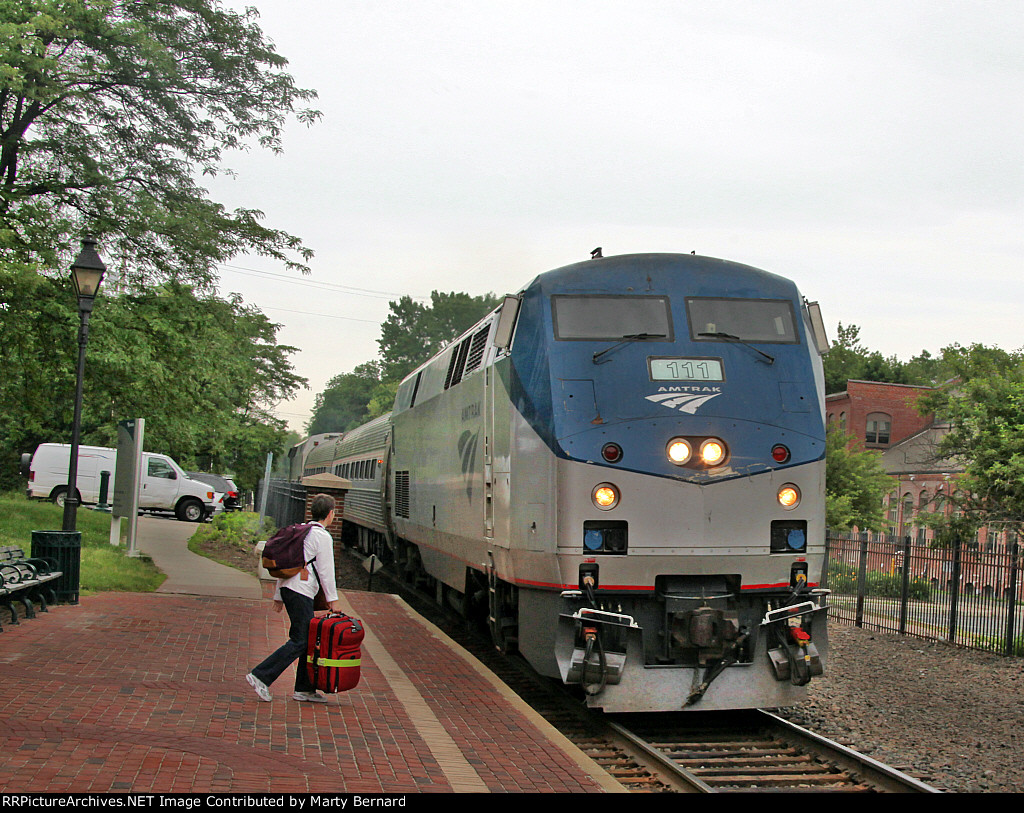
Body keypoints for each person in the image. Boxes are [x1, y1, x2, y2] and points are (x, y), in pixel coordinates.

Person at [246, 493, 340, 703]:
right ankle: (261, 676)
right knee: (302, 639)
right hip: (301, 592)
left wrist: (279, 595)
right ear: (331, 513)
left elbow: (288, 564)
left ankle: (304, 689)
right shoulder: (322, 537)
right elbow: (326, 571)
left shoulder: (302, 532)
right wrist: (333, 601)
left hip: (291, 589)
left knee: (306, 639)